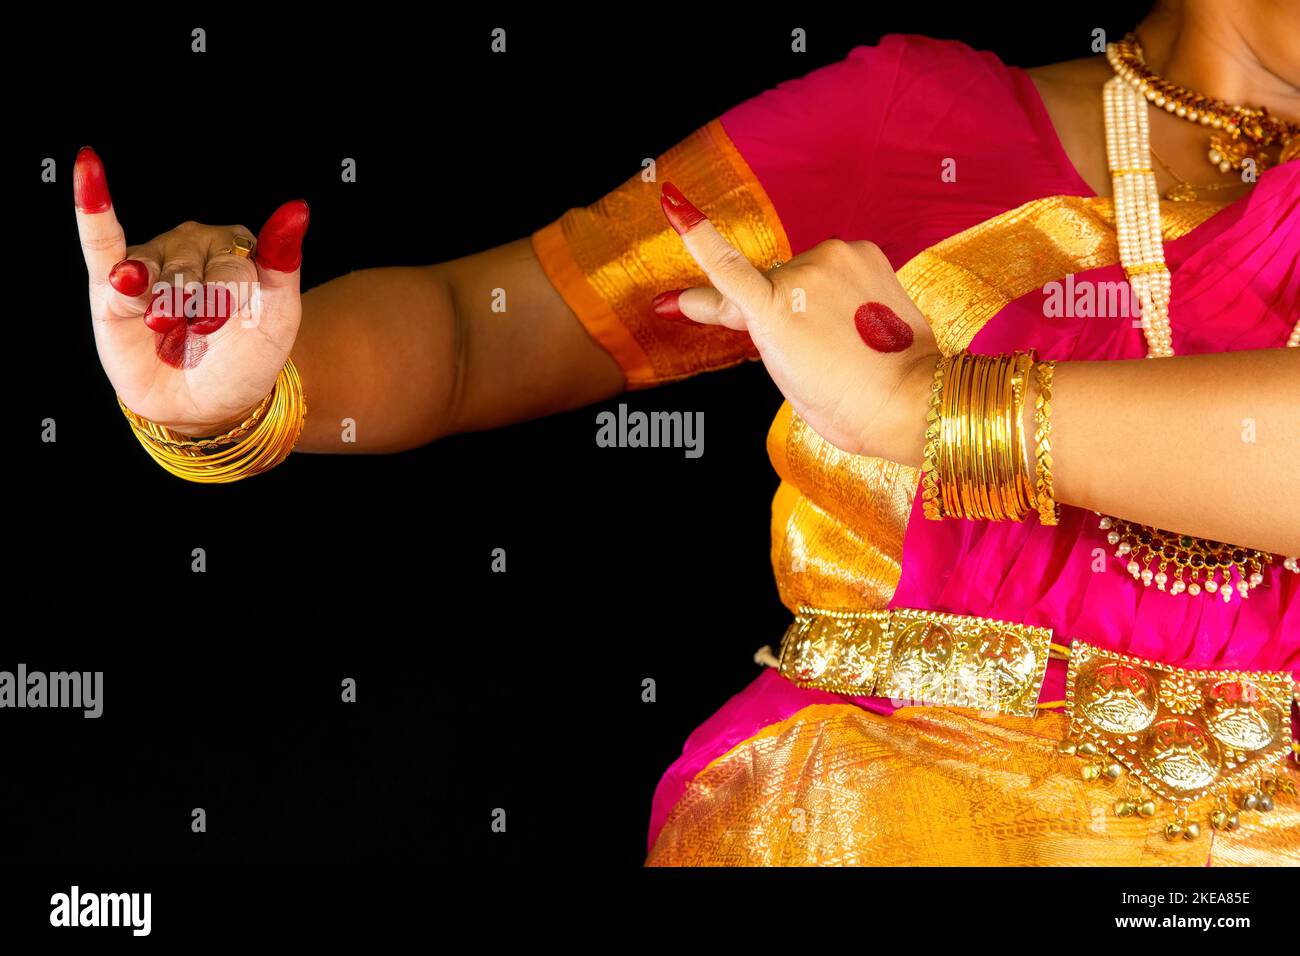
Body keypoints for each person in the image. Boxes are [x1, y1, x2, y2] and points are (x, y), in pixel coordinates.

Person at [74, 1, 1298, 864]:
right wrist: (248, 385)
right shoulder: (914, 124)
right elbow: (474, 332)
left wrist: (933, 410)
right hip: (878, 821)